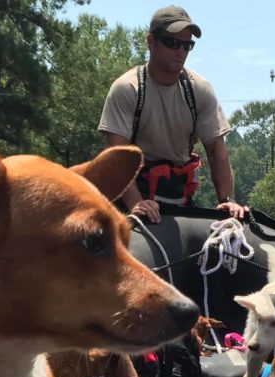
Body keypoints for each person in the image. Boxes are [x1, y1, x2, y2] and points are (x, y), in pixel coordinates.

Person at [98, 6, 247, 223]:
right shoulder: (127, 89)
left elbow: (216, 152)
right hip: (129, 200)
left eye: (187, 45)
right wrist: (136, 204)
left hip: (180, 202)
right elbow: (116, 157)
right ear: (151, 42)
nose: (180, 51)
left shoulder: (199, 90)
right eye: (172, 42)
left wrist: (228, 200)